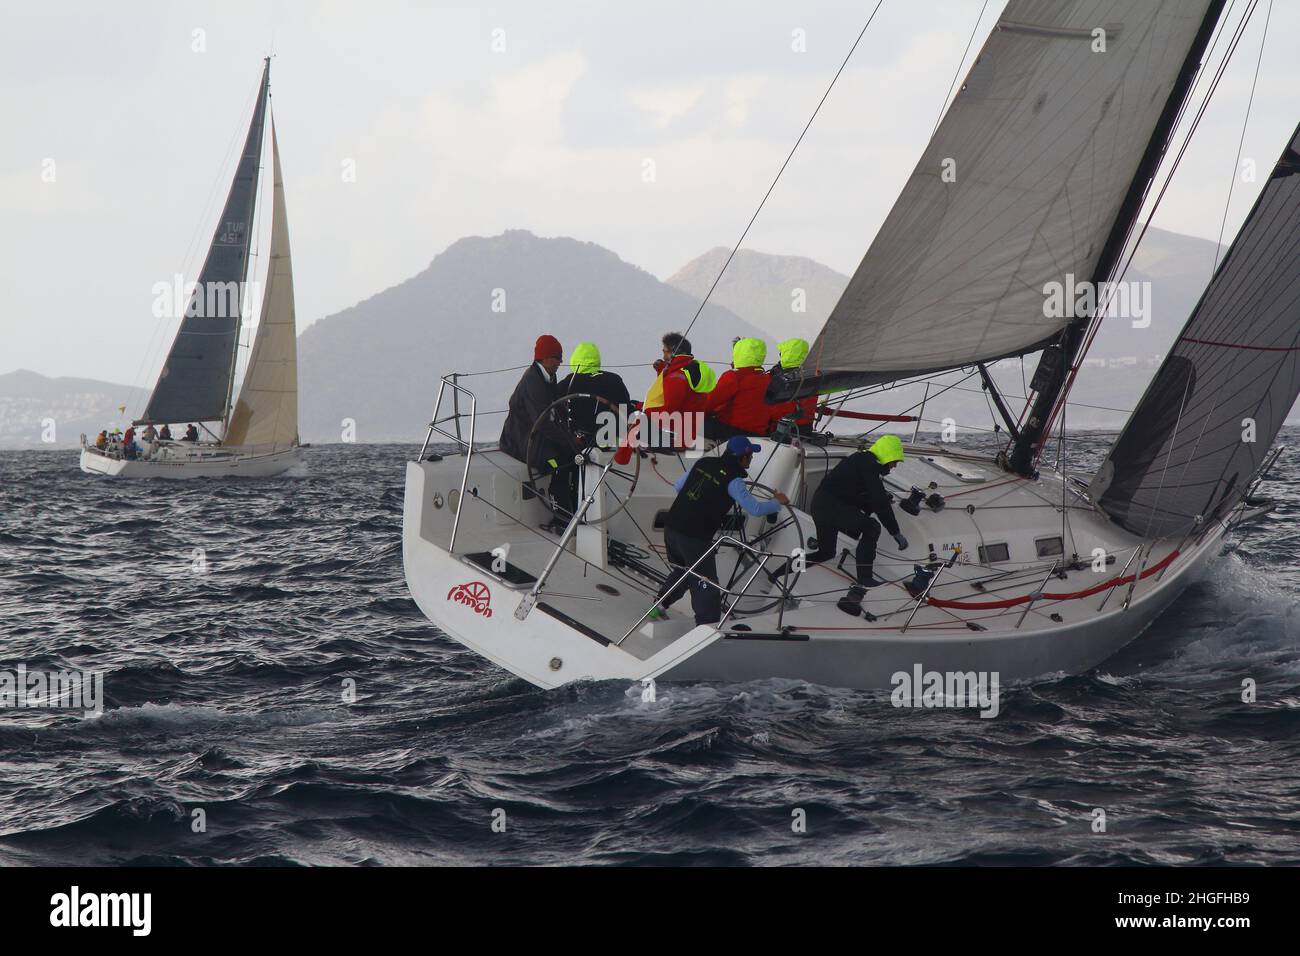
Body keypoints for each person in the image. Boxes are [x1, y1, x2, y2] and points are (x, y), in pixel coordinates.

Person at [650, 435, 789, 625]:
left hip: (672, 526)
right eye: (750, 456)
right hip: (694, 537)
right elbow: (755, 509)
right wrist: (777, 503)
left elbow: (679, 485)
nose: (752, 459)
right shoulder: (735, 481)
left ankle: (659, 606)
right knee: (705, 582)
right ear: (744, 457)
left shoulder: (705, 462)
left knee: (684, 570)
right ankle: (707, 627)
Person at [776, 434, 909, 617]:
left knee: (826, 552)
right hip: (831, 506)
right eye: (894, 461)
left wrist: (870, 504)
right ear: (887, 456)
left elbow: (855, 492)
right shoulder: (868, 463)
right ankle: (865, 579)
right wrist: (895, 532)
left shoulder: (860, 460)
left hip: (822, 504)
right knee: (871, 527)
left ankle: (777, 573)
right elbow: (878, 500)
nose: (894, 466)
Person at [499, 334, 581, 528]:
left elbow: (557, 409)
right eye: (556, 358)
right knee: (559, 463)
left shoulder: (548, 376)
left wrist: (572, 437)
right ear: (543, 358)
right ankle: (562, 517)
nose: (560, 362)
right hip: (522, 443)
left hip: (538, 438)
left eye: (561, 357)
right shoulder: (533, 382)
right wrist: (568, 440)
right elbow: (542, 422)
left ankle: (573, 511)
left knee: (575, 457)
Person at [704, 337, 796, 439]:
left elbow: (708, 404)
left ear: (739, 354)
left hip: (730, 431)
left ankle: (686, 448)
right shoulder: (769, 380)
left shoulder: (734, 376)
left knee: (690, 419)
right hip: (757, 435)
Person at [642, 334, 715, 444]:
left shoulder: (676, 378)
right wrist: (663, 370)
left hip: (678, 436)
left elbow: (669, 412)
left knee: (632, 421)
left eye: (665, 351)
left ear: (674, 353)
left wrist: (646, 412)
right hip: (690, 429)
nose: (663, 356)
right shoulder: (689, 370)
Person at [557, 342, 630, 446]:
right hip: (612, 443)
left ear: (574, 359)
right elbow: (625, 410)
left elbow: (554, 410)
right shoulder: (614, 380)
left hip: (577, 444)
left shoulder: (567, 383)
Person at [767, 337, 817, 429]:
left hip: (779, 427)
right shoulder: (812, 377)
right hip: (805, 427)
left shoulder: (778, 378)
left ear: (786, 354)